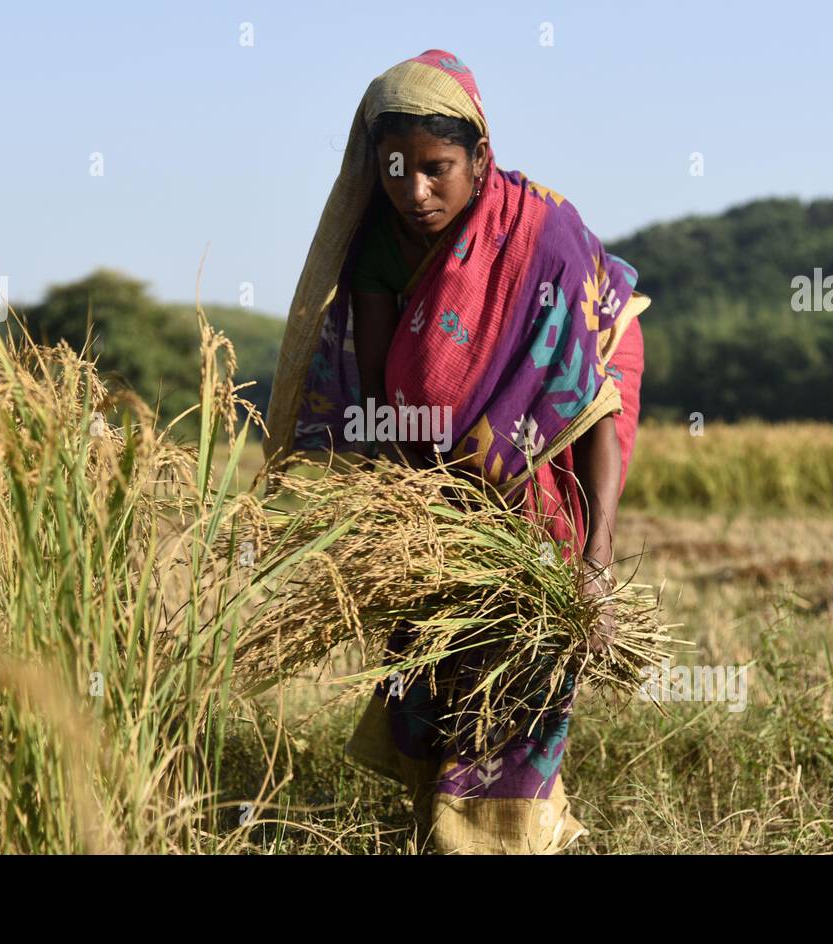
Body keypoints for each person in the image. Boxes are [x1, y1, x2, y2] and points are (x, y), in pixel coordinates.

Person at [264, 48, 649, 854]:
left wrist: (596, 560)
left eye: (438, 169)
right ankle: (460, 811)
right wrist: (408, 520)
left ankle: (503, 828)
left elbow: (591, 411)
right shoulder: (378, 242)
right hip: (445, 453)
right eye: (396, 169)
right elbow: (382, 401)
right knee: (440, 621)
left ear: (481, 158)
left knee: (536, 619)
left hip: (569, 410)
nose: (415, 191)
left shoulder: (545, 237)